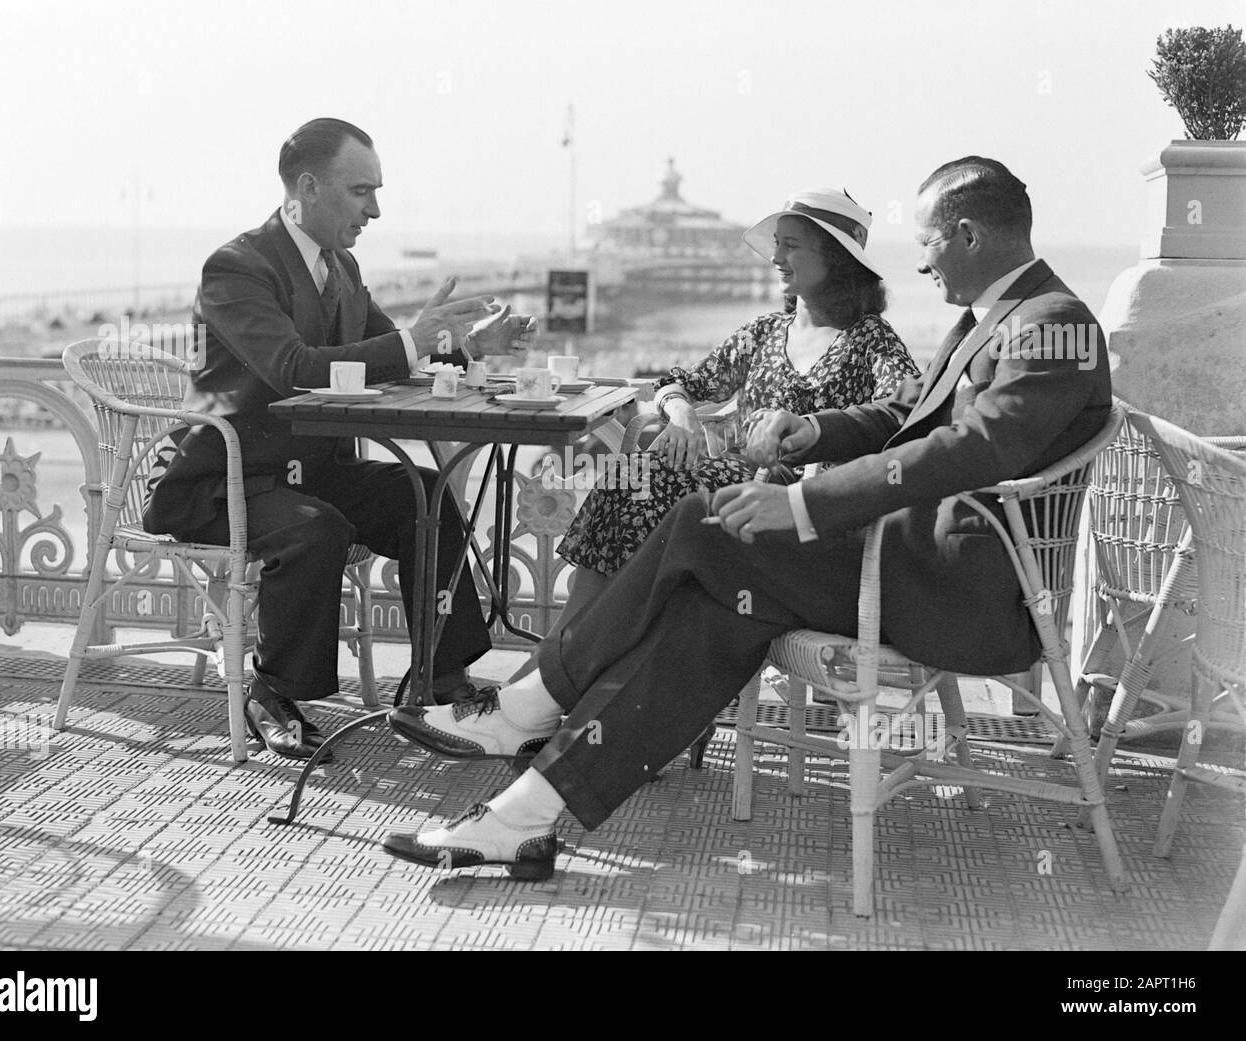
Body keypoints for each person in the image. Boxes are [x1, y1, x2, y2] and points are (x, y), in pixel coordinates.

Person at [379, 156, 1114, 878]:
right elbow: (908, 419)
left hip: (960, 592)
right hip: (915, 563)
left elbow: (972, 449)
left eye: (925, 241)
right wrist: (816, 432)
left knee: (702, 520)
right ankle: (520, 818)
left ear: (968, 235)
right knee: (710, 614)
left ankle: (528, 703)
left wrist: (798, 504)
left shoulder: (1052, 324)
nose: (920, 264)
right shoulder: (999, 319)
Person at [143, 117, 535, 762]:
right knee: (315, 527)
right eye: (361, 191)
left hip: (311, 467)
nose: (375, 209)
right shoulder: (236, 267)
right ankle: (273, 690)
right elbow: (292, 367)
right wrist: (416, 338)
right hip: (228, 480)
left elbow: (392, 354)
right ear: (308, 187)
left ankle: (440, 678)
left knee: (426, 498)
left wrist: (465, 347)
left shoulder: (341, 267)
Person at [551, 188, 918, 631]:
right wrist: (682, 413)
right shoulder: (763, 332)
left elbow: (904, 415)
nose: (776, 258)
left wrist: (817, 436)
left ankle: (572, 651)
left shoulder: (870, 338)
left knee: (642, 485)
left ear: (836, 258)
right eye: (777, 244)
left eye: (791, 245)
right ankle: (577, 644)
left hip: (796, 505)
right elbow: (677, 381)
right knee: (631, 479)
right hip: (737, 483)